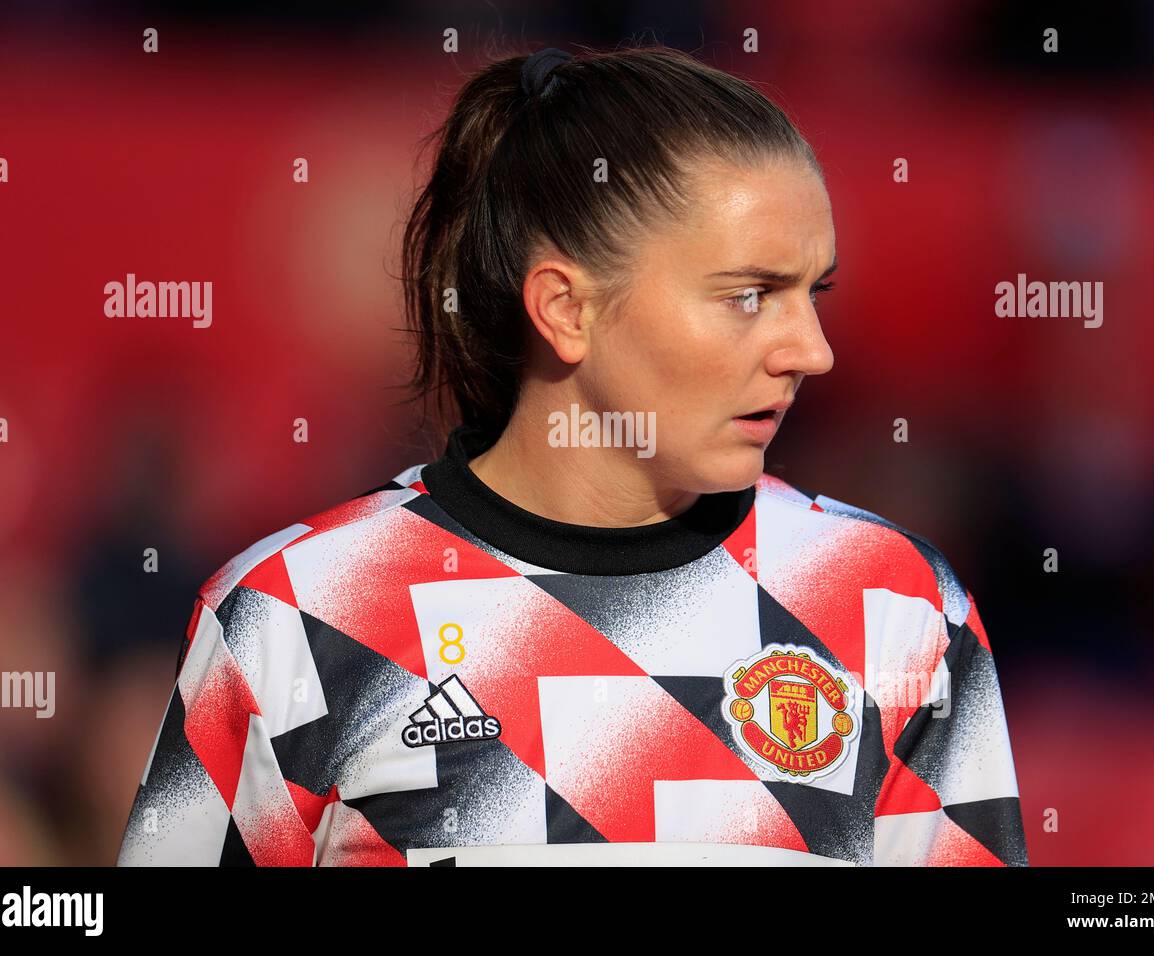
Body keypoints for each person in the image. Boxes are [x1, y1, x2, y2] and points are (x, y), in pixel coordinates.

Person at [115, 44, 1028, 866]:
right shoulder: (295, 616)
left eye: (813, 292)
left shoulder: (895, 605)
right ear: (566, 309)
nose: (812, 349)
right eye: (751, 294)